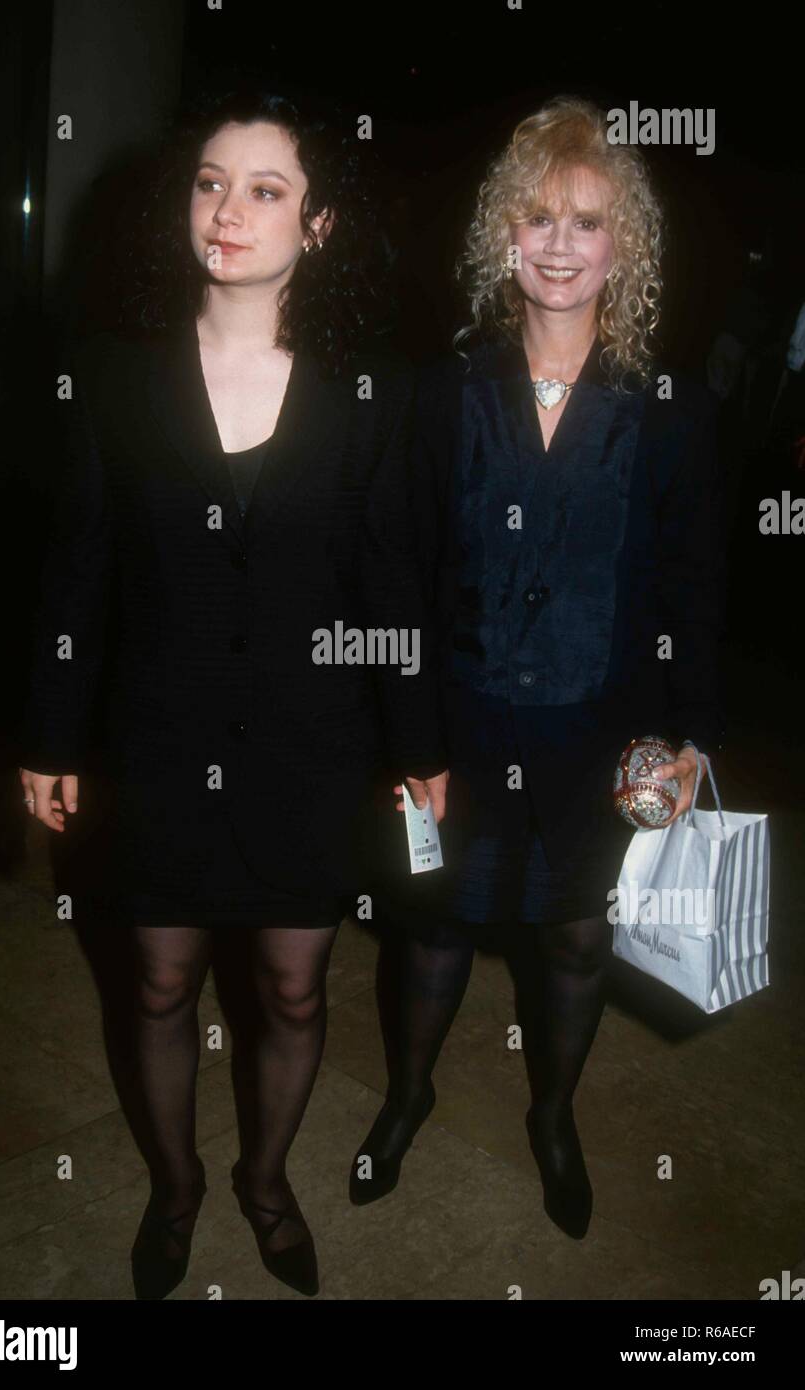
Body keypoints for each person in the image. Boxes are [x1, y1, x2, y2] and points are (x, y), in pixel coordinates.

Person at [18, 87, 447, 1299]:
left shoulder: (374, 394)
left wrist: (421, 747)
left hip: (314, 748)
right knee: (157, 979)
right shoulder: (109, 376)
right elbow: (77, 571)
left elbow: (392, 584)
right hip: (154, 737)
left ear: (315, 228)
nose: (230, 210)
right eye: (211, 182)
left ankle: (265, 1181)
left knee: (295, 983)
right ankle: (176, 1188)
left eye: (267, 189)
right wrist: (49, 733)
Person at [350, 96, 726, 1240]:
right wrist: (412, 748)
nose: (560, 243)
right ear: (501, 235)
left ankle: (552, 1115)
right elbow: (392, 578)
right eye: (537, 216)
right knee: (435, 931)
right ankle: (407, 1095)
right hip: (459, 733)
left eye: (588, 221)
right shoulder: (441, 394)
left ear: (626, 247)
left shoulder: (670, 411)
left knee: (573, 941)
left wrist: (687, 739)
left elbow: (692, 593)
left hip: (600, 740)